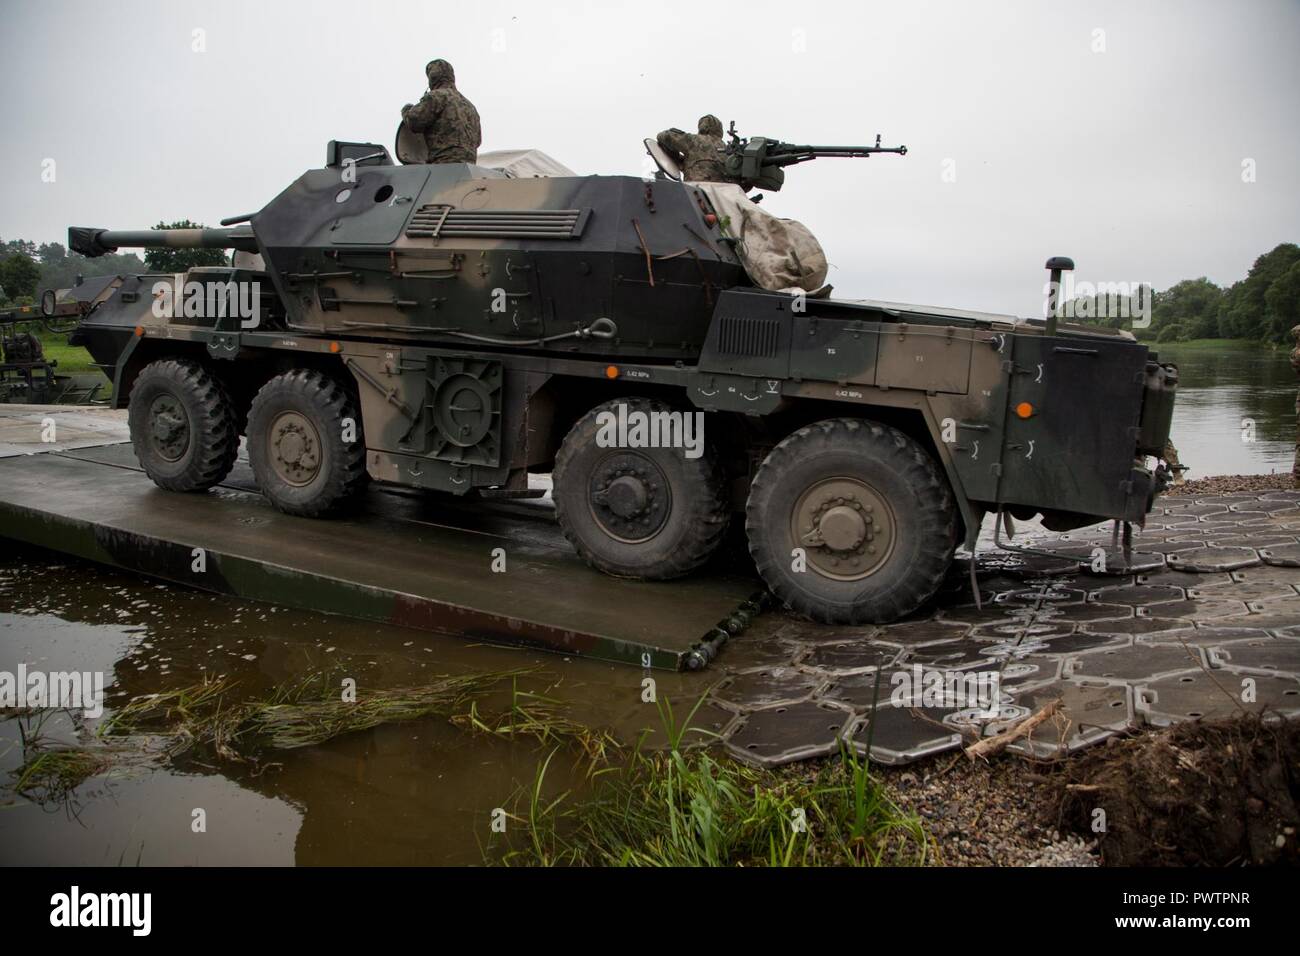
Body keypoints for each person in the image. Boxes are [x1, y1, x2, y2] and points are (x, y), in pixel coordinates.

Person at [401, 59, 481, 164]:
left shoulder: (436, 97)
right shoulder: (470, 107)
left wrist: (406, 109)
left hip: (443, 166)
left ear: (432, 78)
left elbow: (414, 121)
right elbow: (478, 141)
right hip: (469, 168)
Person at [656, 114, 734, 183]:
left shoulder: (695, 141)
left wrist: (675, 156)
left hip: (695, 193)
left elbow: (664, 136)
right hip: (718, 196)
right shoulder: (728, 150)